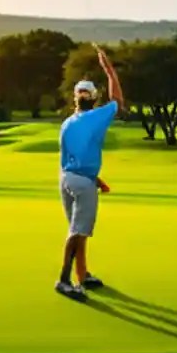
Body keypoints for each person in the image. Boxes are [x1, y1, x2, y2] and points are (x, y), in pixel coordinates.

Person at [55, 46, 124, 301]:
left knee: (78, 229)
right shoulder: (97, 116)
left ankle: (82, 275)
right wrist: (109, 70)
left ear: (76, 99)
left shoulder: (68, 122)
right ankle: (63, 280)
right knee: (77, 231)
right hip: (81, 183)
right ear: (94, 99)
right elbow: (118, 99)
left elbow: (73, 157)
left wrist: (95, 178)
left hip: (67, 179)